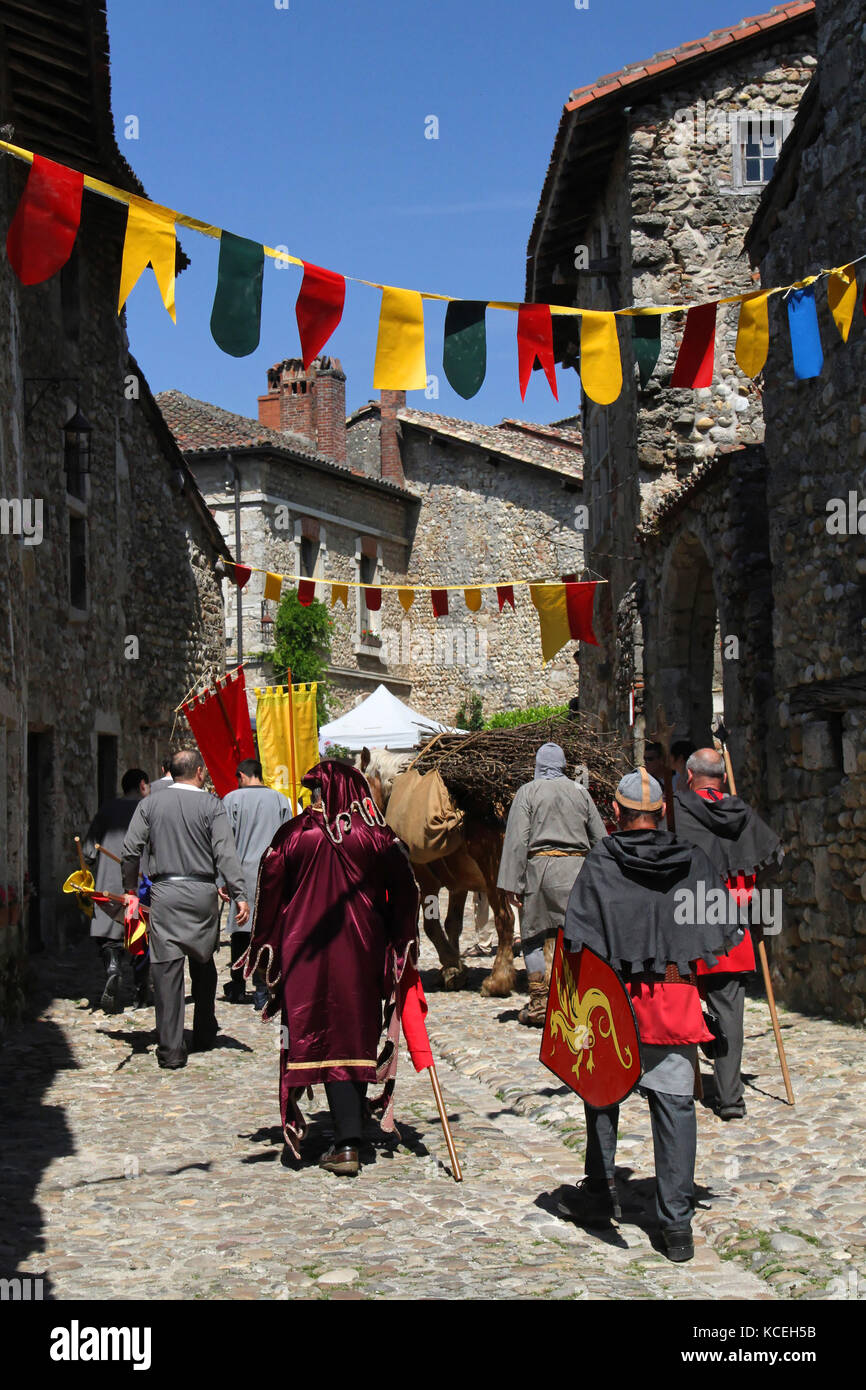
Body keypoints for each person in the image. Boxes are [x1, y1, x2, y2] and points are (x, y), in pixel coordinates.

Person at [561, 768, 740, 1262]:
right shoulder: (694, 861)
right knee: (676, 1107)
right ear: (662, 813)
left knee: (602, 1098)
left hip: (611, 1007)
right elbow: (721, 930)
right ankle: (677, 1227)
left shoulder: (601, 861)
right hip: (673, 1001)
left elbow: (579, 940)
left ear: (615, 814)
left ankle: (599, 1194)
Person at [238, 760, 419, 1176]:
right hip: (362, 951)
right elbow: (406, 886)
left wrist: (266, 943)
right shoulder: (376, 835)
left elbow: (269, 885)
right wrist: (400, 935)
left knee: (324, 1035)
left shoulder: (295, 835)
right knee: (353, 1033)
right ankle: (349, 1131)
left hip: (307, 954)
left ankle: (348, 1141)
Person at [121, 749, 249, 1070]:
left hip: (165, 893)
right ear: (200, 773)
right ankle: (205, 1031)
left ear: (170, 772)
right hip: (202, 893)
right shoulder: (211, 805)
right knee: (204, 961)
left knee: (166, 970)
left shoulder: (149, 804)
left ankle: (171, 1049)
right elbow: (225, 853)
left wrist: (129, 890)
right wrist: (239, 892)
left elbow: (129, 849)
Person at [674, 747, 784, 1120]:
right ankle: (731, 1100)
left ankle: (683, 1086)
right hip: (733, 921)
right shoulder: (741, 812)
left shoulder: (677, 811)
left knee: (682, 1001)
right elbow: (774, 858)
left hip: (688, 920)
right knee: (729, 1011)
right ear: (721, 777)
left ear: (690, 776)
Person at [497, 742, 606, 1027]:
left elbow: (518, 840)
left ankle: (540, 1004)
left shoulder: (527, 792)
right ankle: (577, 1002)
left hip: (539, 872)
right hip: (577, 873)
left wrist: (512, 883)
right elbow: (600, 838)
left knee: (532, 939)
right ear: (562, 764)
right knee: (578, 938)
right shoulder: (581, 792)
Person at [221, 758, 291, 1008]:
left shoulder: (231, 800)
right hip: (273, 873)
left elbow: (223, 843)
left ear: (241, 775)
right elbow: (289, 841)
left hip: (241, 873)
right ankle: (264, 987)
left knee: (241, 930)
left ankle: (238, 985)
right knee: (268, 931)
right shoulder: (281, 801)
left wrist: (221, 878)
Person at [82, 767, 150, 1012]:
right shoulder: (147, 809)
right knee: (141, 934)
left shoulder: (108, 808)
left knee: (109, 935)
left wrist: (87, 865)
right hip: (139, 881)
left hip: (108, 881)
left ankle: (112, 966)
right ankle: (143, 988)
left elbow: (89, 850)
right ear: (142, 785)